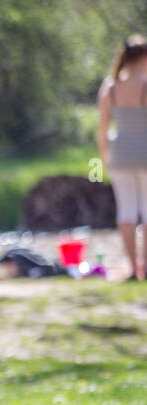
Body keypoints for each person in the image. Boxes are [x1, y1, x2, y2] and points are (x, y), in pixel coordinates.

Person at [98, 35, 147, 281]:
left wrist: (105, 157)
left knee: (126, 211)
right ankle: (145, 265)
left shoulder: (110, 87)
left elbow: (102, 128)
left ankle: (132, 267)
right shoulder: (145, 84)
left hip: (119, 154)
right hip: (144, 153)